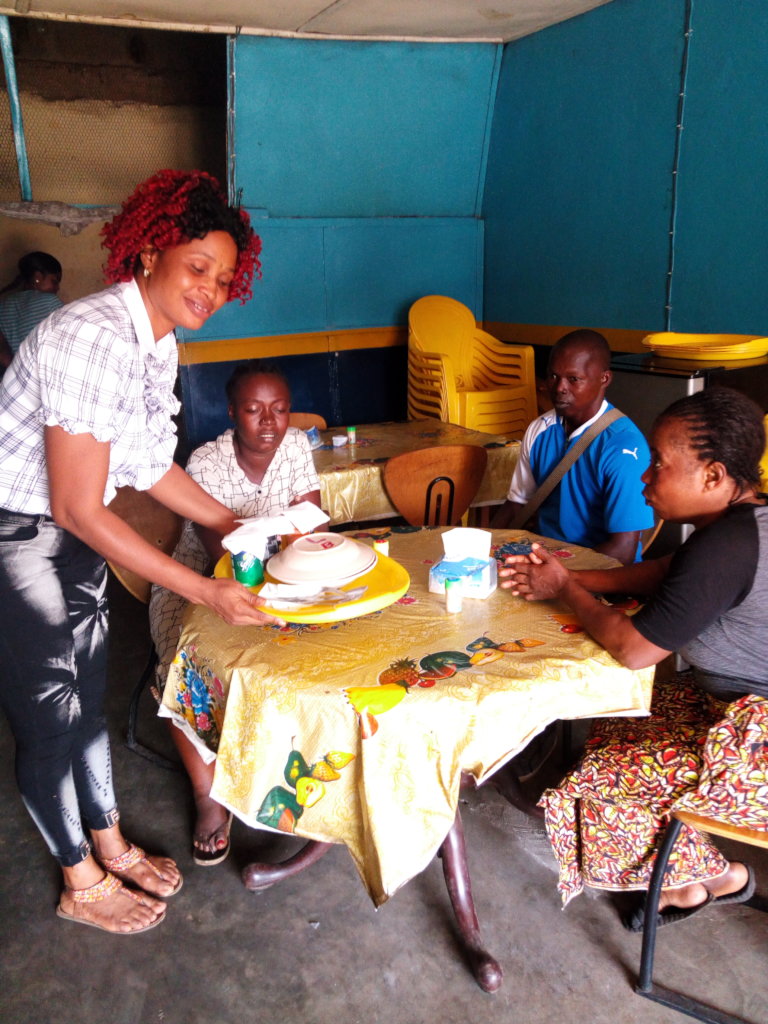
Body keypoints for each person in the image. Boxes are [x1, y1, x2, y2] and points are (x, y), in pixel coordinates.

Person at [0, 169, 284, 935]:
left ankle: (108, 840)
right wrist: (202, 588)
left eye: (224, 279)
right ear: (151, 251)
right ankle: (77, 877)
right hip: (20, 536)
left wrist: (229, 523)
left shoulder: (154, 342)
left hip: (68, 534)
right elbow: (76, 505)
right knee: (49, 716)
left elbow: (145, 464)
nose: (210, 290)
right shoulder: (91, 336)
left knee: (84, 701)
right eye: (198, 267)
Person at [499, 387, 767, 929]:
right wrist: (571, 576)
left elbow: (633, 648)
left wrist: (564, 591)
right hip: (734, 709)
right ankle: (708, 878)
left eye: (659, 466)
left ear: (713, 476)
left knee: (595, 776)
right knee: (622, 722)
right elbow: (667, 575)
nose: (645, 478)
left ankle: (686, 881)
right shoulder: (740, 522)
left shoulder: (726, 547)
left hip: (754, 743)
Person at [149, 360, 321, 864]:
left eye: (280, 410)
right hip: (200, 581)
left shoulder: (295, 448)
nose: (270, 422)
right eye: (254, 410)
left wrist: (300, 555)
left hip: (283, 577)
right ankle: (208, 797)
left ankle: (287, 760)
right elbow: (220, 551)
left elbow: (307, 525)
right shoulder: (206, 462)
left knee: (320, 643)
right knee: (182, 666)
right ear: (231, 413)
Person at [492, 329, 653, 566]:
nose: (559, 388)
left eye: (573, 379)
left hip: (602, 572)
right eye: (553, 377)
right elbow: (517, 506)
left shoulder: (624, 447)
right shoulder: (540, 430)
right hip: (545, 559)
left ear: (604, 379)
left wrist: (560, 578)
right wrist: (479, 549)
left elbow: (622, 551)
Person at [0, 251, 63, 370]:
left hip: (11, 378)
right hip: (41, 375)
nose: (58, 288)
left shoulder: (4, 305)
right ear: (37, 278)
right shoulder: (50, 302)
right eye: (54, 281)